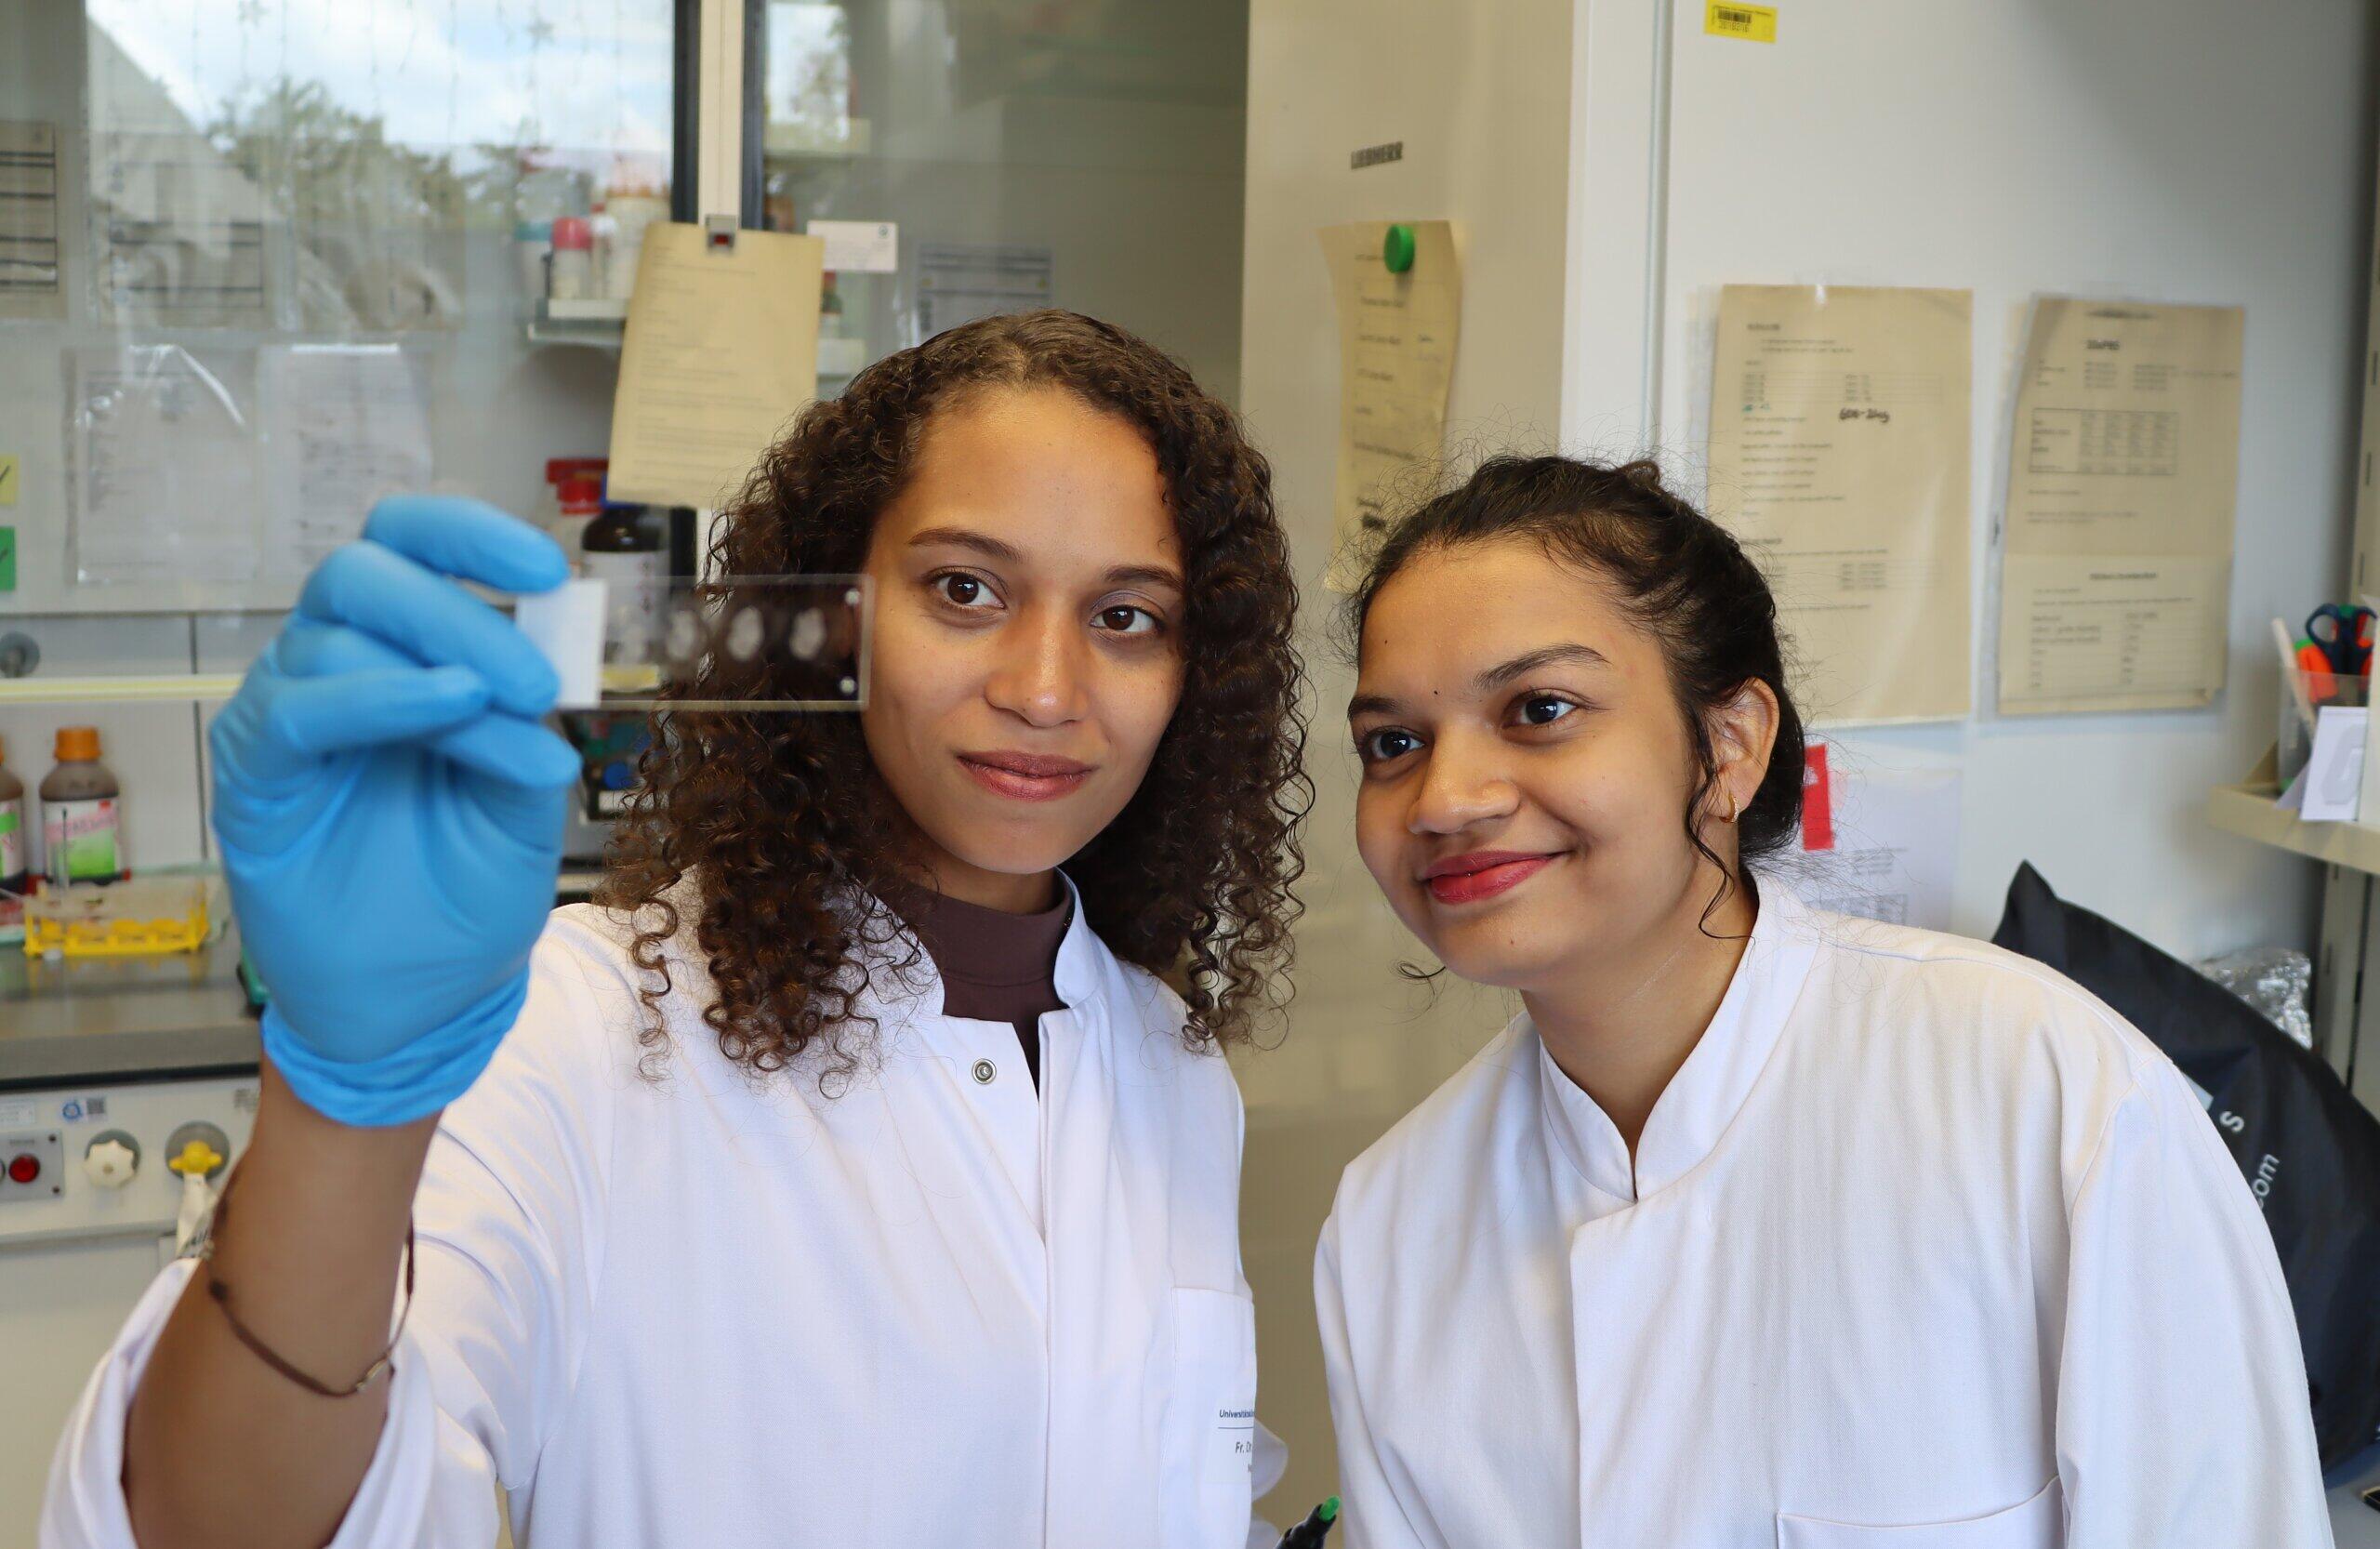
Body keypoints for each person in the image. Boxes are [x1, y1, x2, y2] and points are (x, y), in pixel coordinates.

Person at [45, 311, 1308, 1549]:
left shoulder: (1169, 1058)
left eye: (1126, 615)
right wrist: (343, 1097)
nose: (1044, 688)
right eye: (965, 588)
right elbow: (224, 1521)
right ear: (834, 622)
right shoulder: (590, 1027)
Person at [1316, 454, 2330, 1547]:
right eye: (1394, 743)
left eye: (1540, 708)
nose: (1447, 798)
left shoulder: (2046, 1093)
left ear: (1730, 742)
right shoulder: (1391, 1222)